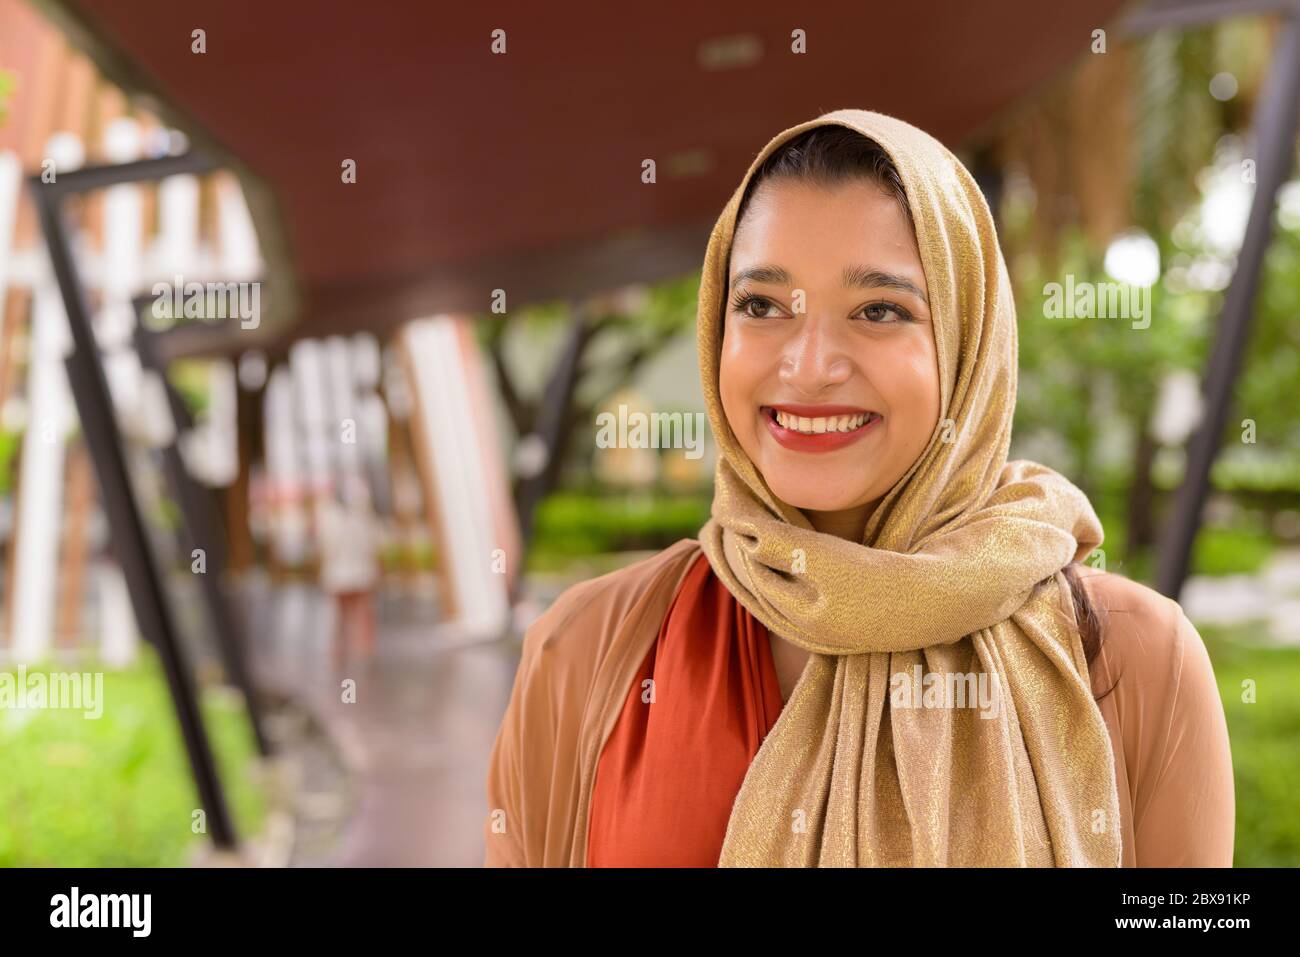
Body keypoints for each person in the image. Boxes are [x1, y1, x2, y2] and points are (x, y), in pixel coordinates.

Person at [483, 110, 1235, 867]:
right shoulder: (589, 649)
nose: (809, 366)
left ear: (971, 343)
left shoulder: (1137, 661)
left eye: (880, 310)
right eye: (763, 305)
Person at [317, 475, 380, 671]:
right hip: (356, 572)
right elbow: (371, 543)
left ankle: (346, 649)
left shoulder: (333, 518)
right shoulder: (359, 518)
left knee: (345, 615)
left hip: (344, 573)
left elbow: (328, 546)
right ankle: (362, 649)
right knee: (359, 612)